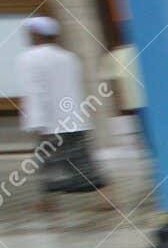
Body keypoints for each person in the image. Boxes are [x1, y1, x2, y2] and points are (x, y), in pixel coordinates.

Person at [17, 16, 104, 192]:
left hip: (50, 122)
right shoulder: (69, 57)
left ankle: (48, 203)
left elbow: (35, 92)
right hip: (75, 120)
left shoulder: (29, 58)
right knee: (82, 160)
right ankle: (106, 197)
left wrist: (36, 123)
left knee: (49, 164)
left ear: (37, 34)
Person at [98, 32, 148, 156]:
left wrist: (117, 97)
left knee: (139, 119)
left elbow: (109, 77)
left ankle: (144, 140)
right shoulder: (137, 50)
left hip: (130, 94)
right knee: (144, 117)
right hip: (143, 93)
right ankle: (148, 140)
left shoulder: (113, 55)